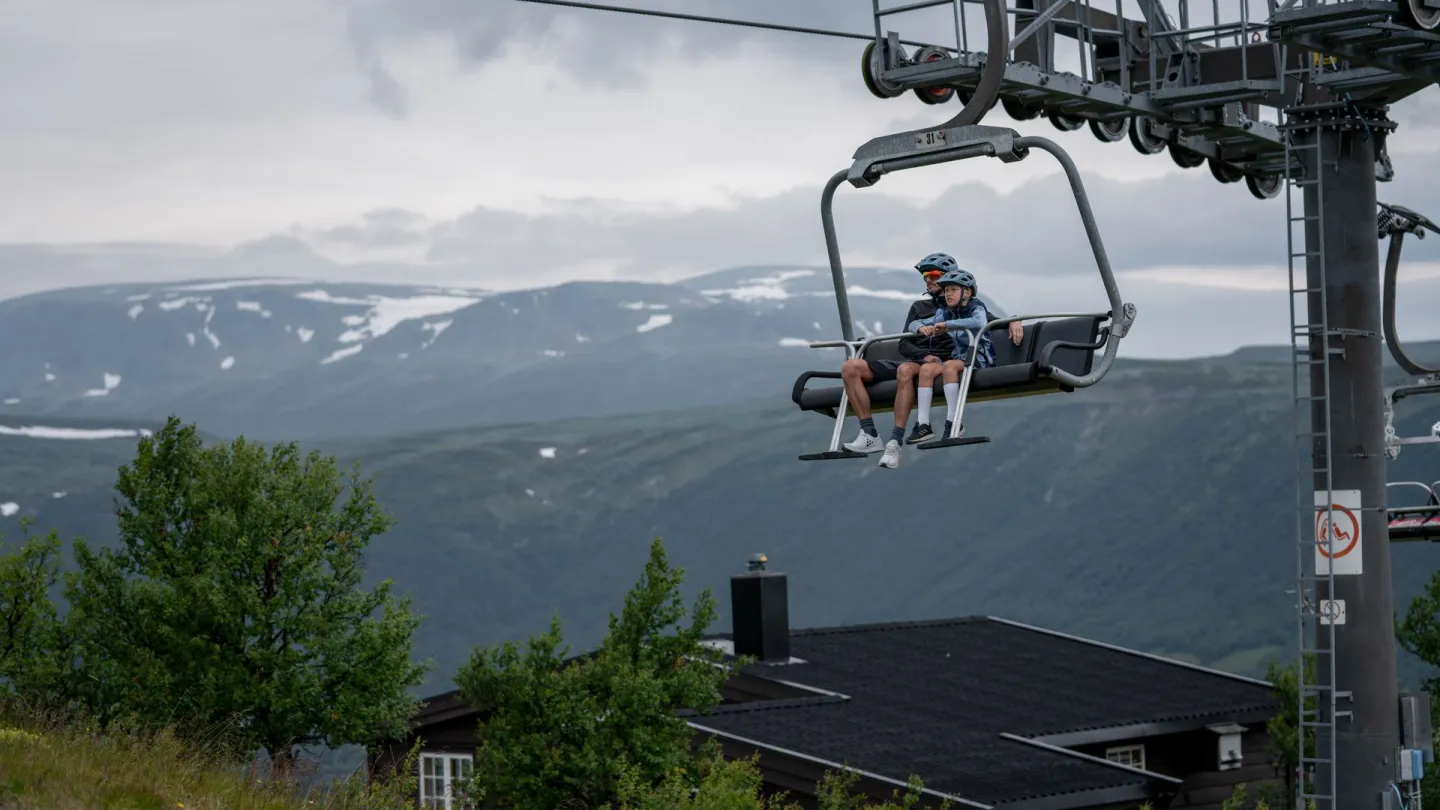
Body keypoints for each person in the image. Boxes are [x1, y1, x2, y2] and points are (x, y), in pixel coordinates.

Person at [879, 268, 1017, 470]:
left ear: (967, 292)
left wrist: (947, 325)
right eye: (946, 291)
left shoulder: (976, 307)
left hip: (977, 357)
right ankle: (923, 425)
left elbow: (979, 322)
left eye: (953, 290)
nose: (948, 294)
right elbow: (916, 323)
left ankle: (954, 422)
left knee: (950, 366)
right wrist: (920, 328)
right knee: (927, 370)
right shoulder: (945, 312)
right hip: (960, 358)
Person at [839, 253, 958, 455]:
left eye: (934, 275)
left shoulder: (959, 305)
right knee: (850, 367)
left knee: (905, 369)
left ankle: (895, 440)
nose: (928, 280)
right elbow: (905, 343)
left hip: (938, 363)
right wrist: (922, 355)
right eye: (926, 276)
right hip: (916, 360)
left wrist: (1014, 321)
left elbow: (985, 318)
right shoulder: (918, 307)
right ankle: (869, 435)